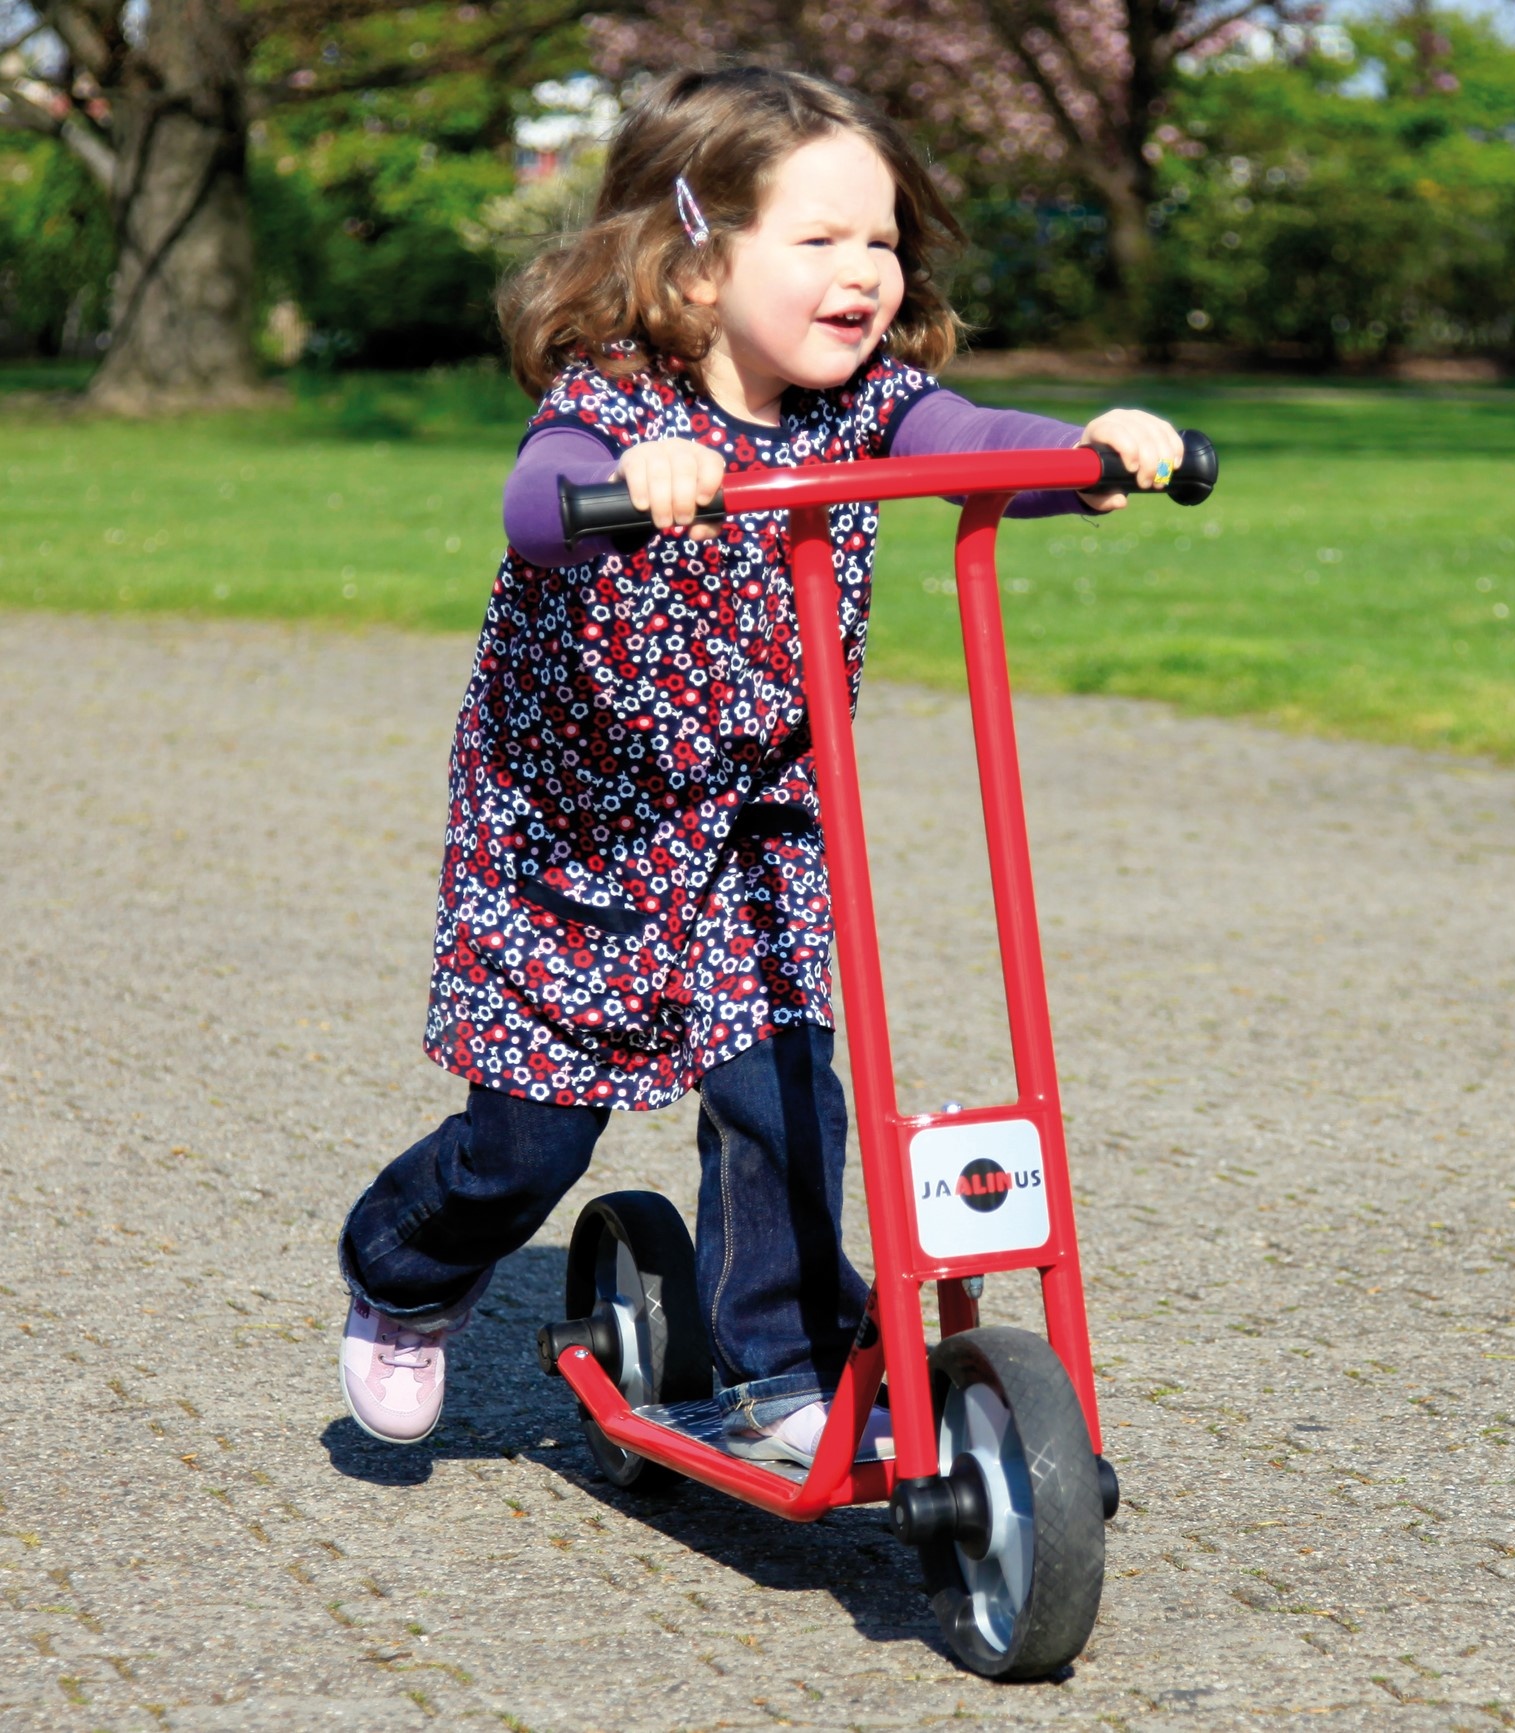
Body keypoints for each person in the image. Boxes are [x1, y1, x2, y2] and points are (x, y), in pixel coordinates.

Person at [337, 65, 1183, 1461]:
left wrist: (1084, 453)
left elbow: (973, 445)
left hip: (760, 819)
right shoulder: (609, 403)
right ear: (691, 256)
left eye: (883, 240)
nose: (864, 273)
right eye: (821, 240)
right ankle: (403, 1276)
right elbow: (537, 504)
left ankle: (776, 1364)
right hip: (577, 833)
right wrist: (645, 478)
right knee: (529, 1145)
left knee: (784, 1092)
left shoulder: (868, 405)